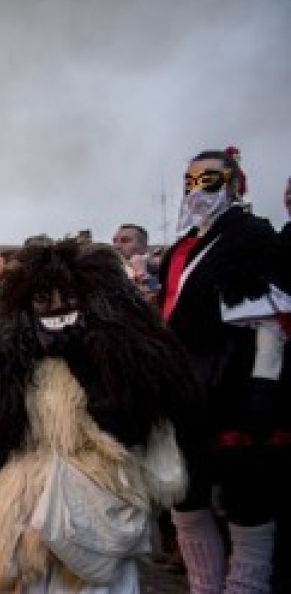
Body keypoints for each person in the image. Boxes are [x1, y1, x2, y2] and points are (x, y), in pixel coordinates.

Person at [0, 239, 197, 592]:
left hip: (99, 489)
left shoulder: (126, 356)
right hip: (27, 496)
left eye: (66, 297)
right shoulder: (6, 358)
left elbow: (130, 424)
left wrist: (86, 363)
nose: (55, 307)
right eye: (42, 298)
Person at [158, 147, 290, 593]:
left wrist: (262, 386)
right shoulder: (182, 245)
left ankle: (245, 587)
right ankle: (204, 586)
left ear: (235, 184)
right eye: (190, 181)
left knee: (246, 499)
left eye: (209, 180)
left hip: (234, 382)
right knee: (185, 497)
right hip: (182, 386)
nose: (197, 190)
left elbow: (268, 319)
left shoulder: (252, 235)